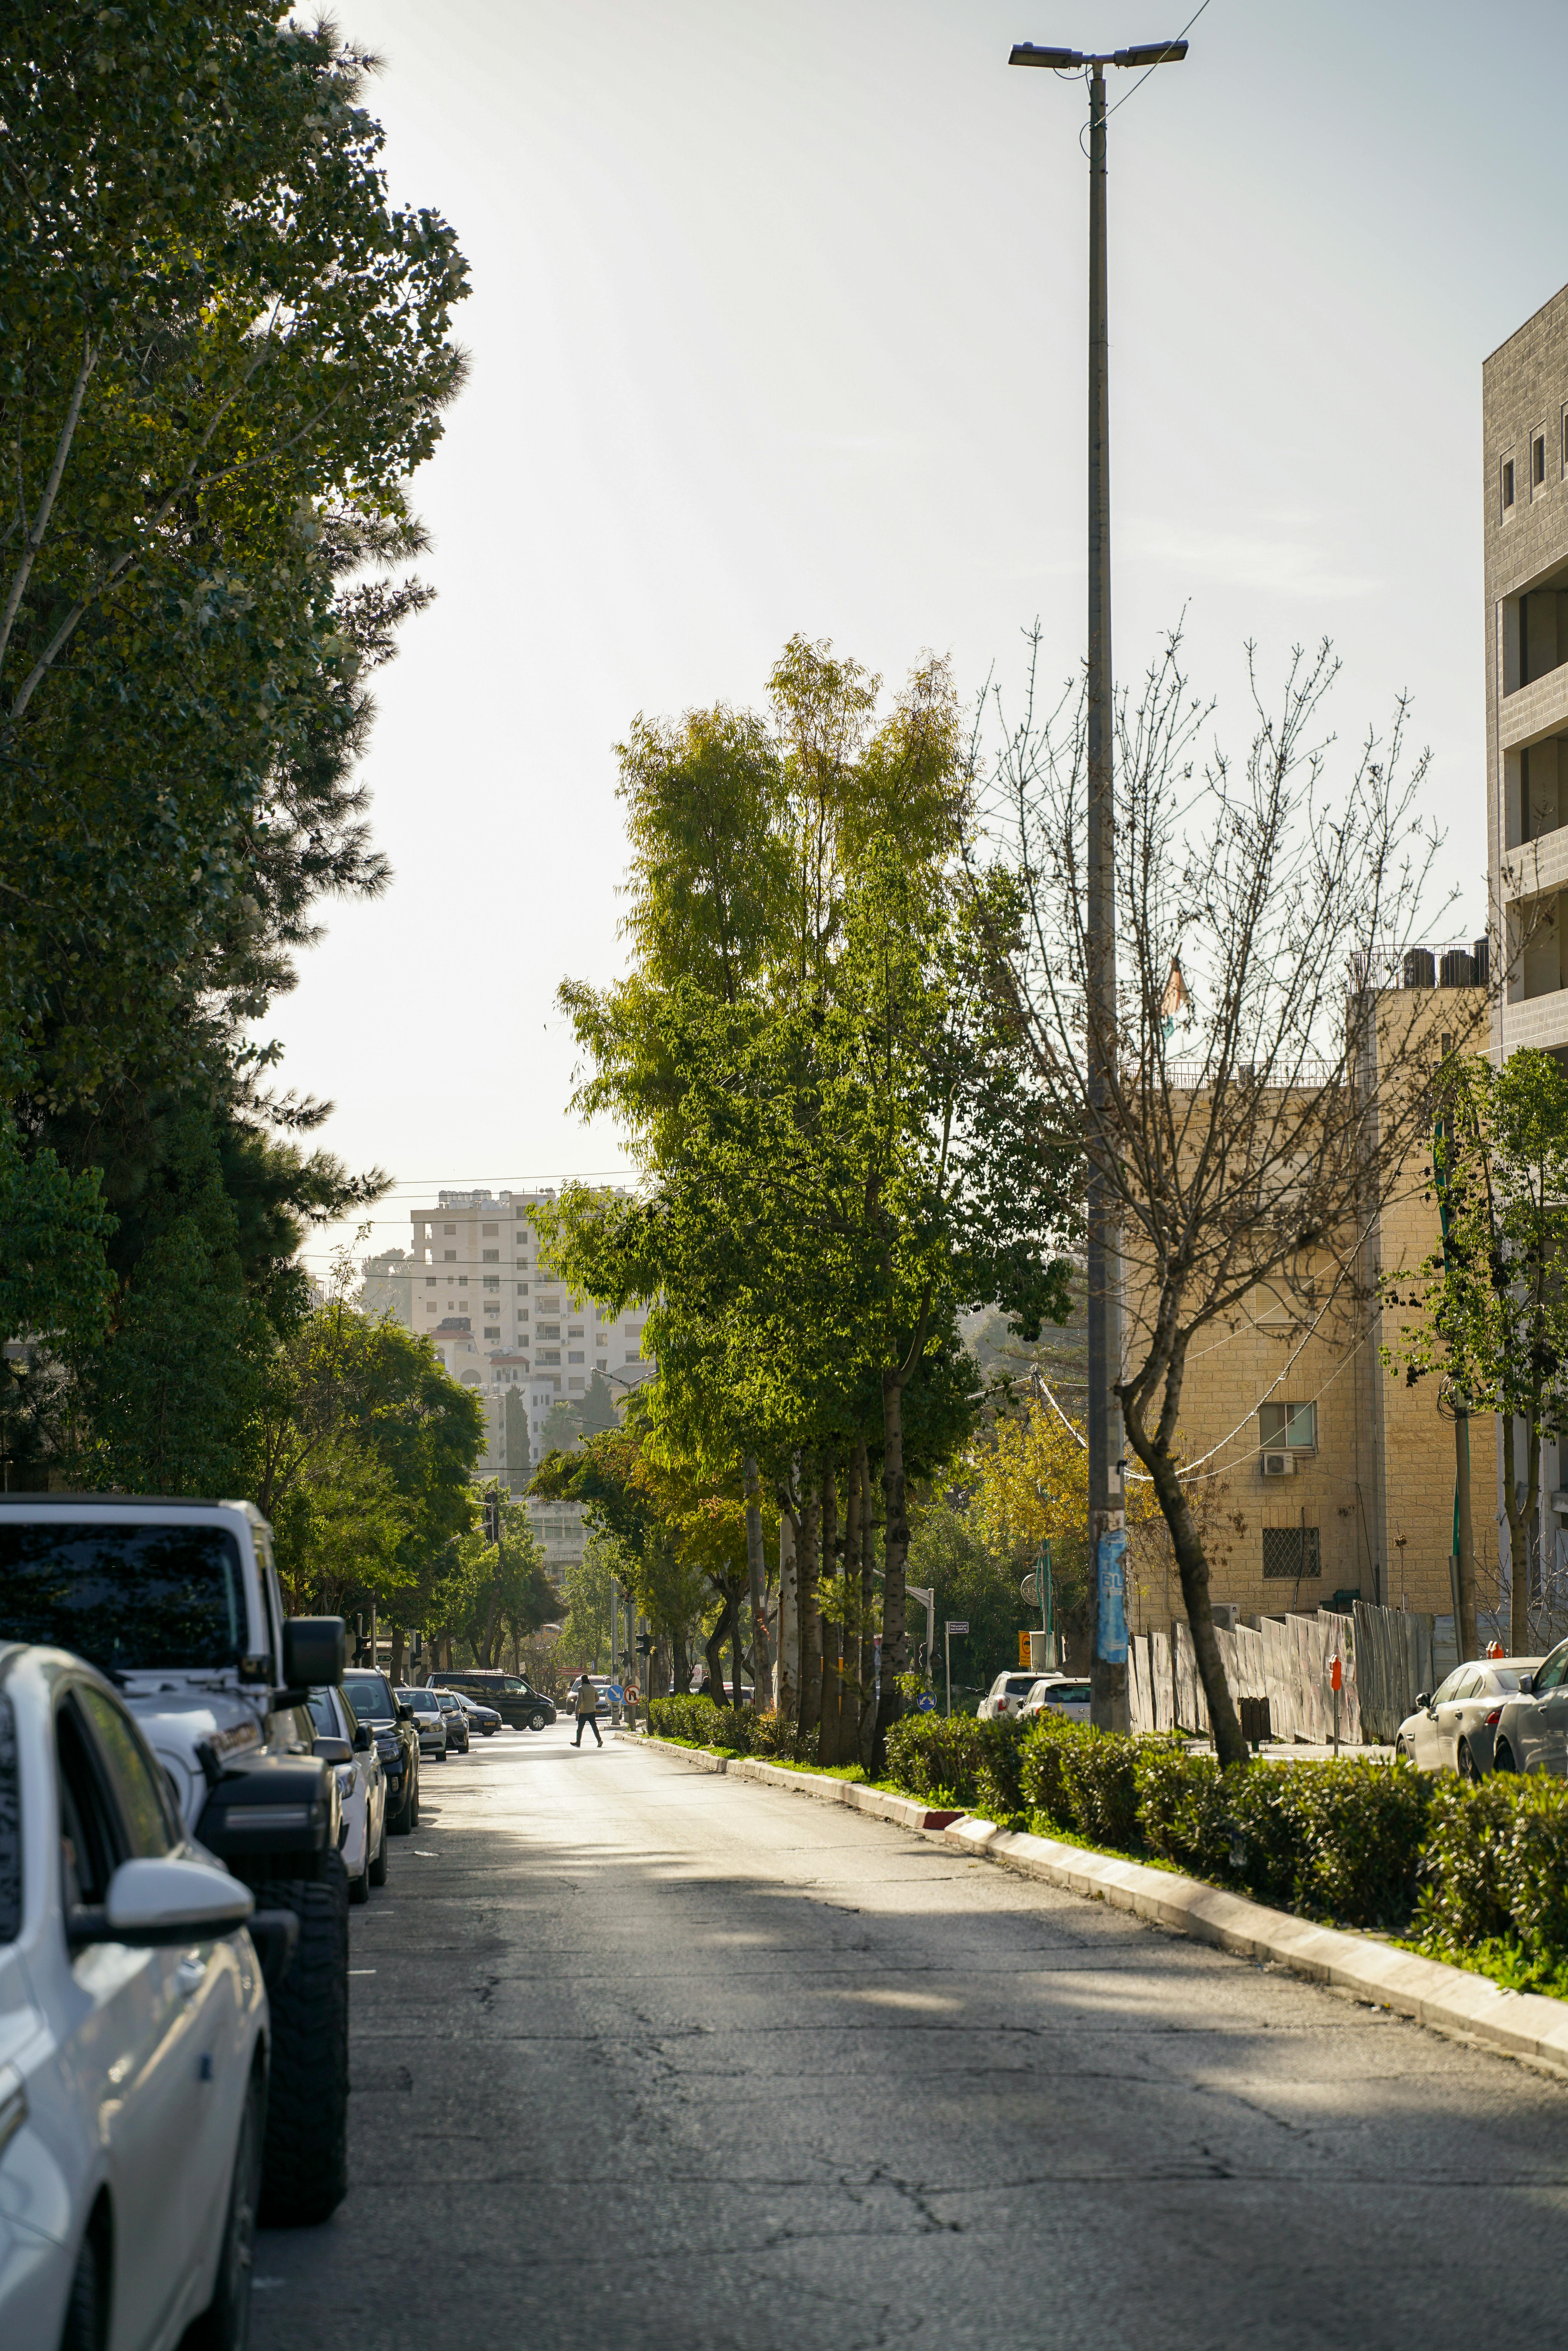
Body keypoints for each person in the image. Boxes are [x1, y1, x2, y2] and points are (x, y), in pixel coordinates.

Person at [574, 1667, 602, 1748]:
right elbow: (598, 1698)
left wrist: (577, 1710)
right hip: (593, 1711)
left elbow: (580, 1700)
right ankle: (599, 1740)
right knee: (594, 1726)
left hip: (584, 1712)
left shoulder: (581, 1688)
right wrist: (592, 1702)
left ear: (582, 1681)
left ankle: (578, 1742)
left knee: (580, 1728)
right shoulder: (593, 1688)